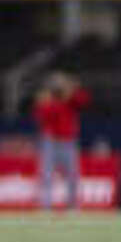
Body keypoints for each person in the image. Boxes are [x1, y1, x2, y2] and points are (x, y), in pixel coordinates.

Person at [33, 72, 91, 211]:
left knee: (73, 177)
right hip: (50, 142)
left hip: (68, 142)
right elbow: (42, 117)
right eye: (56, 85)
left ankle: (73, 206)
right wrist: (53, 100)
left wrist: (73, 89)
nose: (58, 88)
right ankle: (45, 207)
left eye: (60, 85)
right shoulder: (47, 101)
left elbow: (84, 100)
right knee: (46, 176)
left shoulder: (70, 100)